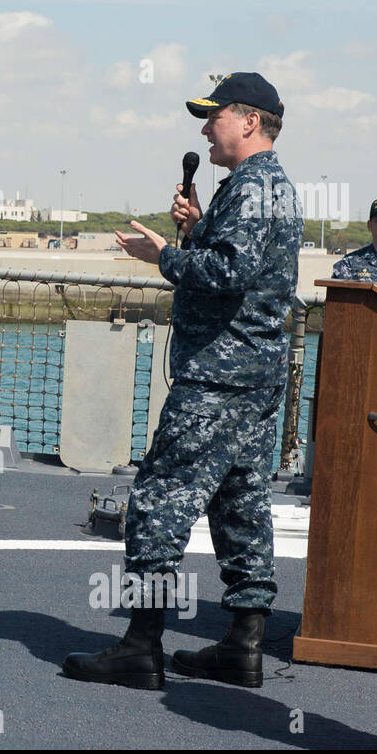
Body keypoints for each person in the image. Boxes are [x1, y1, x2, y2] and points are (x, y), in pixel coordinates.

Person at [64, 72, 302, 690]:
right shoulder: (267, 186)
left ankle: (141, 645)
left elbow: (227, 274)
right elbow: (240, 266)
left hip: (217, 377)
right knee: (241, 502)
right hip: (254, 376)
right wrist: (196, 230)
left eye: (214, 117)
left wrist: (164, 256)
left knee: (158, 501)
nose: (205, 128)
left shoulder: (251, 187)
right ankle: (243, 643)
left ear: (249, 121)